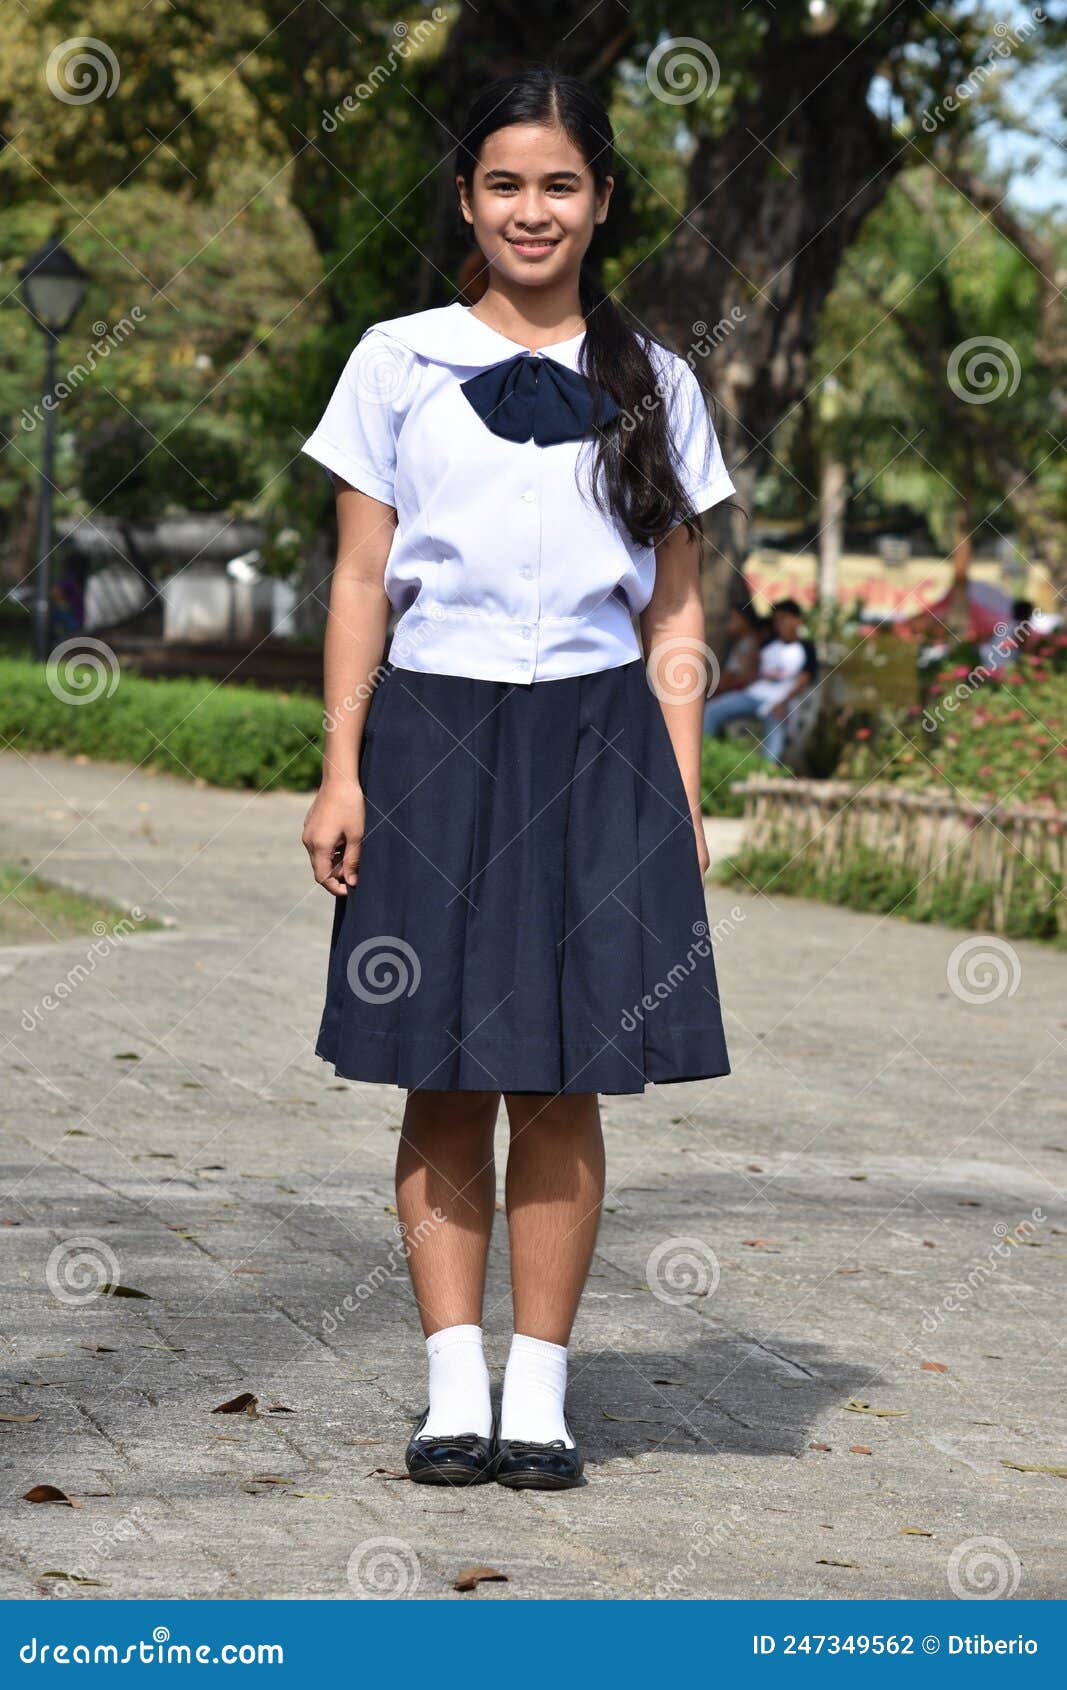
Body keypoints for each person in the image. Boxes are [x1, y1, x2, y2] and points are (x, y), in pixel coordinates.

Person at [298, 67, 736, 1493]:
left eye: (557, 184)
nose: (529, 210)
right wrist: (340, 769)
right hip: (430, 738)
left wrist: (674, 791)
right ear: (467, 199)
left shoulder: (657, 380)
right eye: (502, 184)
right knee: (437, 1072)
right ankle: (449, 1390)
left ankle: (538, 1395)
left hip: (601, 736)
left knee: (560, 1081)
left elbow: (672, 615)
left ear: (598, 200)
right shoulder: (394, 359)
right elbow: (361, 580)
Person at [702, 597, 816, 766]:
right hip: (753, 695)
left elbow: (803, 680)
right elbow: (753, 674)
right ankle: (704, 757)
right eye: (777, 621)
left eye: (784, 620)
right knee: (712, 710)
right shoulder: (768, 643)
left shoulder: (806, 648)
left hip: (779, 702)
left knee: (775, 731)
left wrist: (783, 702)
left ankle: (766, 772)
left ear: (797, 620)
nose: (780, 625)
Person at [706, 601, 764, 698]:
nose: (728, 623)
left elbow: (733, 679)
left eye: (733, 619)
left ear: (745, 621)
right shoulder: (742, 643)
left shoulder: (747, 644)